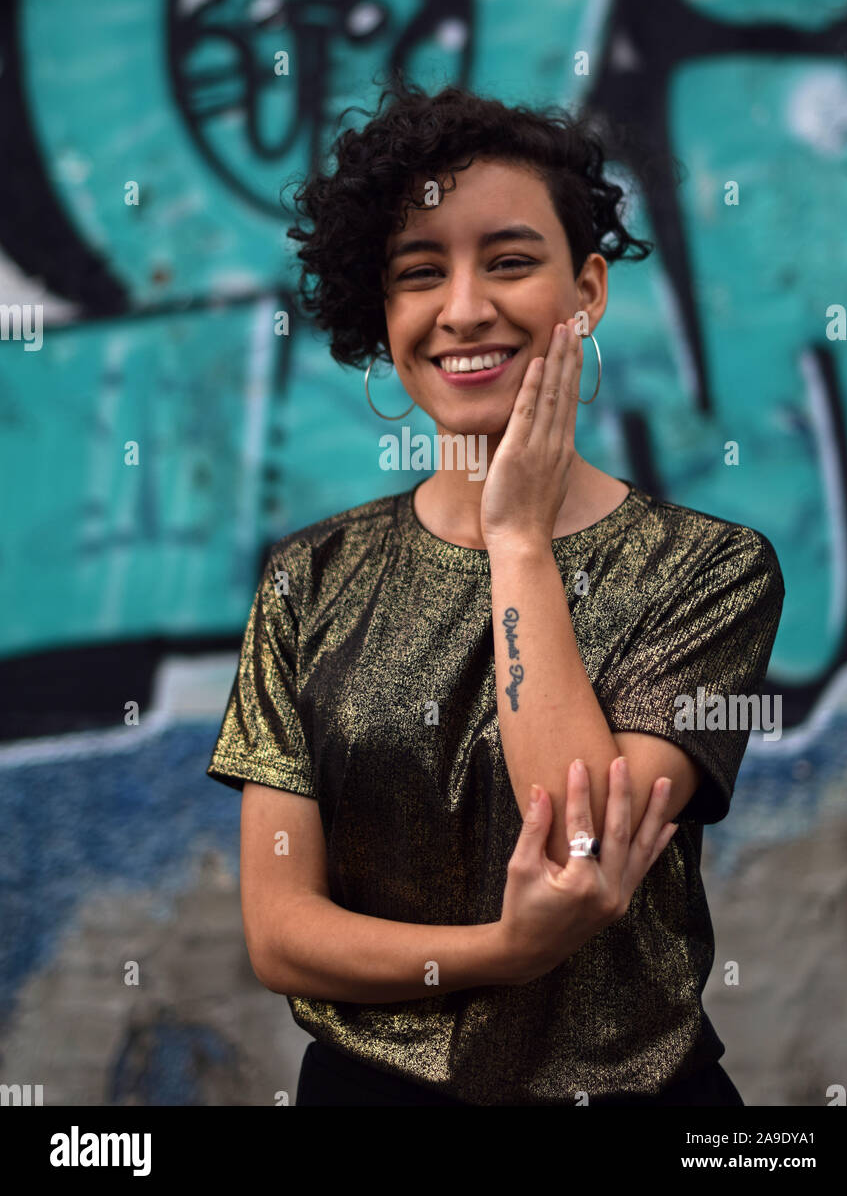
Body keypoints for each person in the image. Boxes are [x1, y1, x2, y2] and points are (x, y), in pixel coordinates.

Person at [206, 79, 785, 1106]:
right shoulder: (309, 578)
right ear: (382, 318)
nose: (464, 307)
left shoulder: (708, 569)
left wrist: (514, 536)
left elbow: (579, 842)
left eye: (510, 260)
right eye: (418, 273)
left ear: (587, 290)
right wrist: (497, 952)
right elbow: (280, 931)